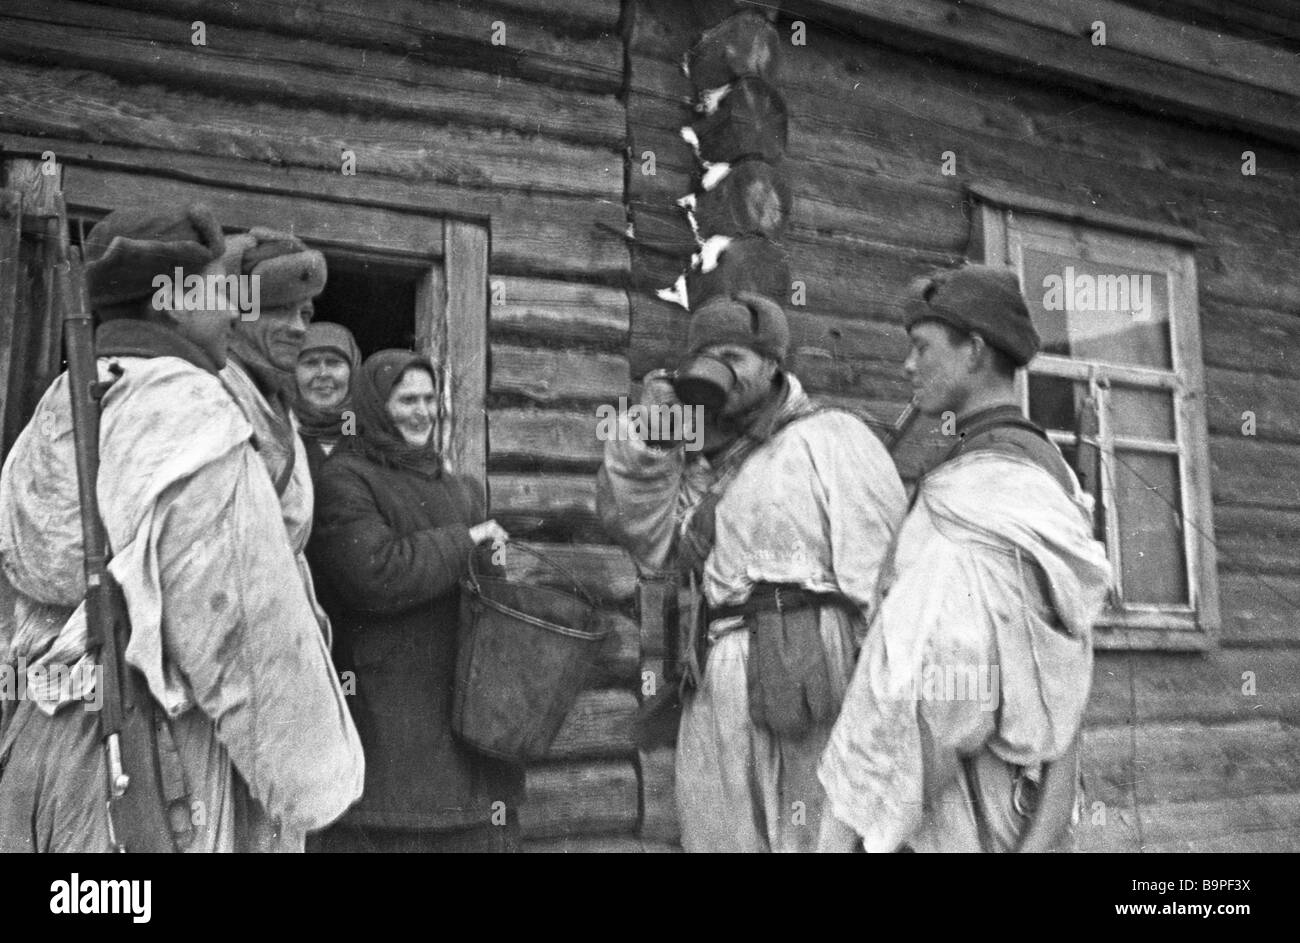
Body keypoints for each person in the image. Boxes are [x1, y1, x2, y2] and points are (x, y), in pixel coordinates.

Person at [0, 204, 363, 852]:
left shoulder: (57, 408)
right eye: (219, 295)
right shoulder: (195, 422)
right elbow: (247, 642)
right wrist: (316, 781)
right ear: (174, 302)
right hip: (151, 769)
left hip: (40, 759)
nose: (231, 311)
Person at [598, 292, 907, 853]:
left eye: (736, 356)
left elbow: (882, 582)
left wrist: (878, 707)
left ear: (773, 364)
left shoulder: (833, 437)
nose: (723, 372)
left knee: (813, 835)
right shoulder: (698, 460)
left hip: (811, 660)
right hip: (715, 666)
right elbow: (648, 536)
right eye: (708, 357)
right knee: (722, 834)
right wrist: (649, 441)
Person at [817, 263, 1111, 853]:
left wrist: (854, 827)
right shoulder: (1036, 473)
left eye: (922, 348)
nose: (907, 366)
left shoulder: (987, 489)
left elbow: (942, 690)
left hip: (960, 802)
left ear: (974, 351)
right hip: (996, 795)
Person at [307, 350, 523, 852]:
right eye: (406, 400)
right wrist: (466, 543)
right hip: (386, 714)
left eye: (430, 399)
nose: (422, 411)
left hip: (457, 710)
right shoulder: (346, 479)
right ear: (376, 406)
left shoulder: (454, 485)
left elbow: (480, 585)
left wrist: (493, 563)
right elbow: (374, 572)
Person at [218, 229, 329, 637]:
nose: (298, 327)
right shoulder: (216, 391)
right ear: (236, 310)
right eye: (279, 309)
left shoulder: (276, 400)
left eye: (304, 314)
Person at [294, 321, 361, 482]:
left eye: (333, 362)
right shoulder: (280, 431)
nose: (323, 374)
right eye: (310, 363)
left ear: (353, 370)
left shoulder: (371, 434)